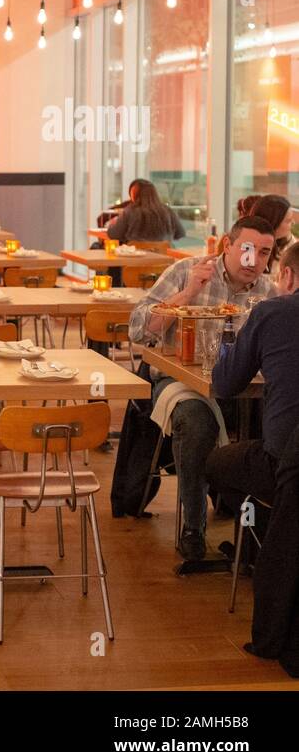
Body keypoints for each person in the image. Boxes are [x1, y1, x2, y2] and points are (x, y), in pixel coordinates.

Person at [128, 215, 280, 560]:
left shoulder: (270, 293)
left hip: (244, 391)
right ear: (227, 245)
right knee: (197, 423)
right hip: (178, 381)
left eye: (264, 252)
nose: (253, 261)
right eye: (246, 249)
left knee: (277, 426)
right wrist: (188, 294)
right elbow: (137, 330)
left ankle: (258, 534)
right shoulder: (188, 271)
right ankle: (193, 528)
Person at [208, 241, 299, 542]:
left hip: (283, 464)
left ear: (287, 275)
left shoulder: (272, 312)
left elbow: (224, 384)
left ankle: (263, 549)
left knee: (217, 464)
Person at [105, 179, 186, 245]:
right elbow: (180, 234)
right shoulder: (168, 211)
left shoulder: (129, 211)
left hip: (134, 261)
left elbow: (114, 235)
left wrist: (112, 224)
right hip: (164, 261)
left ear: (134, 195)